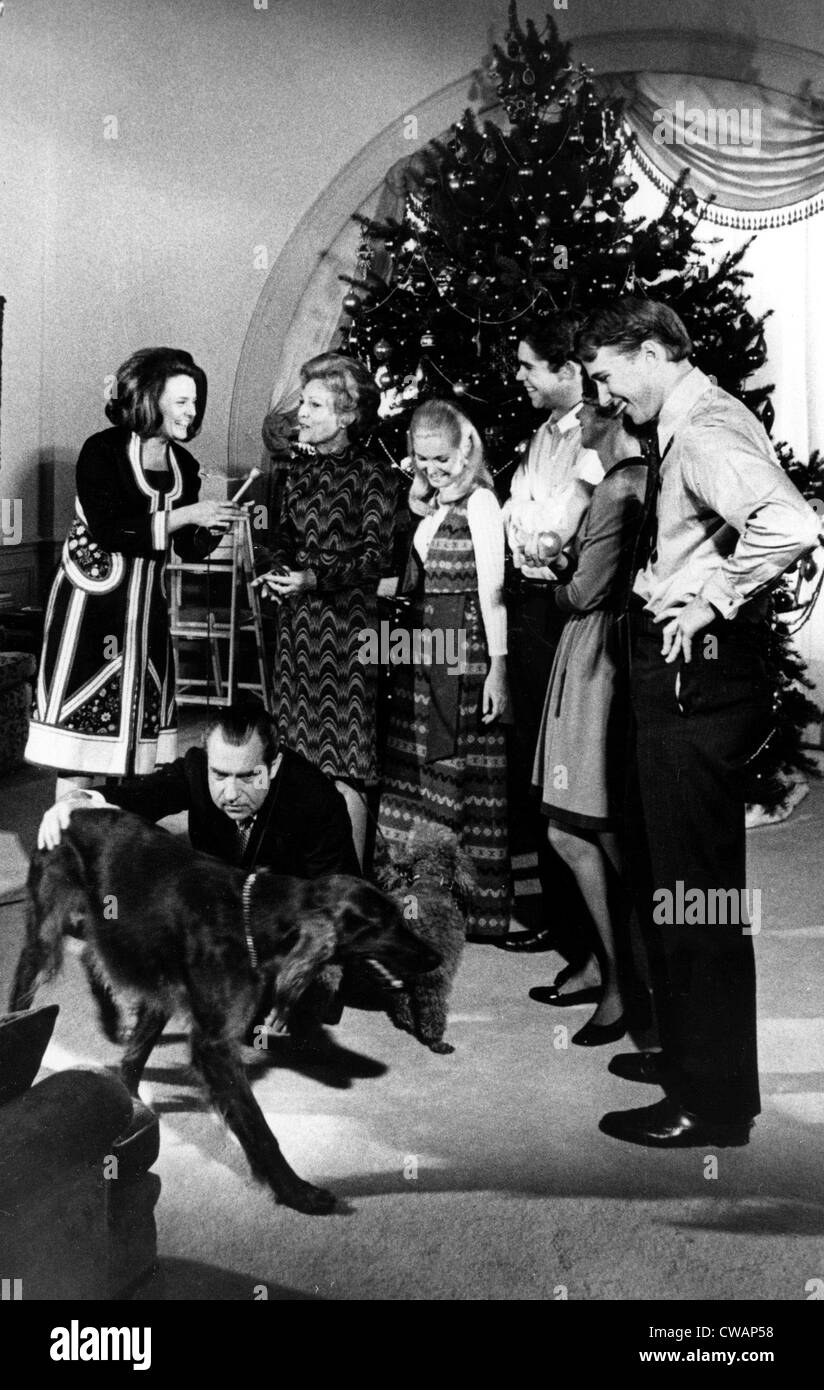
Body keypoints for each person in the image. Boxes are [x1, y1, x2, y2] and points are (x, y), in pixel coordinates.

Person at [577, 297, 820, 1147]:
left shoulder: (707, 427)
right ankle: (690, 1051)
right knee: (676, 880)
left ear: (651, 352)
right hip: (677, 676)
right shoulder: (686, 422)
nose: (606, 397)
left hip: (694, 682)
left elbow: (790, 522)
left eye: (609, 376)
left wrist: (713, 598)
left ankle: (712, 1102)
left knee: (699, 896)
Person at [25, 348, 241, 791]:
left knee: (132, 737)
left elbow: (189, 547)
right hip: (91, 610)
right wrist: (187, 515)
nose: (192, 411)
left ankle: (112, 841)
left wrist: (216, 524)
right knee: (79, 742)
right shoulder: (101, 451)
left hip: (146, 616)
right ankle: (67, 842)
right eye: (182, 401)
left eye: (195, 401)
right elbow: (109, 531)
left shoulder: (185, 465)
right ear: (150, 398)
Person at [528, 389, 648, 1045]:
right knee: (576, 828)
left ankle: (622, 985)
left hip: (596, 656)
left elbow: (582, 592)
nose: (580, 423)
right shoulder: (630, 479)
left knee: (583, 830)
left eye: (591, 412)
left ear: (614, 418)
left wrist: (543, 575)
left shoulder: (619, 487)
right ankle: (603, 967)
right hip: (595, 653)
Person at [256, 353, 399, 867]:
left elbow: (374, 557)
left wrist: (311, 578)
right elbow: (279, 539)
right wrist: (277, 573)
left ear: (347, 414)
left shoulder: (375, 477)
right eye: (304, 403)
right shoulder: (294, 473)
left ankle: (351, 881)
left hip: (346, 633)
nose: (303, 414)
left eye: (315, 405)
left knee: (345, 761)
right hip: (297, 632)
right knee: (295, 755)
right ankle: (308, 869)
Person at [378, 398, 511, 940]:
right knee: (431, 772)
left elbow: (495, 591)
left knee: (462, 776)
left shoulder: (481, 504)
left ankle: (475, 912)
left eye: (441, 458)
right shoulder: (434, 502)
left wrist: (498, 669)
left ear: (466, 449)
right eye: (421, 459)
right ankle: (434, 903)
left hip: (469, 645)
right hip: (432, 644)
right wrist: (422, 499)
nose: (431, 469)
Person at [500, 313, 605, 955]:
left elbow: (558, 530)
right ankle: (553, 916)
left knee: (559, 767)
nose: (519, 377)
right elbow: (520, 520)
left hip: (564, 611)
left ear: (567, 370)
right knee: (531, 764)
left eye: (528, 366)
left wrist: (539, 535)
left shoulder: (598, 435)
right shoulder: (540, 435)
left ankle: (583, 933)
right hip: (529, 606)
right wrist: (534, 534)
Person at [39, 698, 360, 881]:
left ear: (272, 767)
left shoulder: (315, 800)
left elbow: (336, 896)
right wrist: (77, 801)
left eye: (248, 777)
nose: (231, 792)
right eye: (220, 775)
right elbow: (141, 796)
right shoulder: (196, 769)